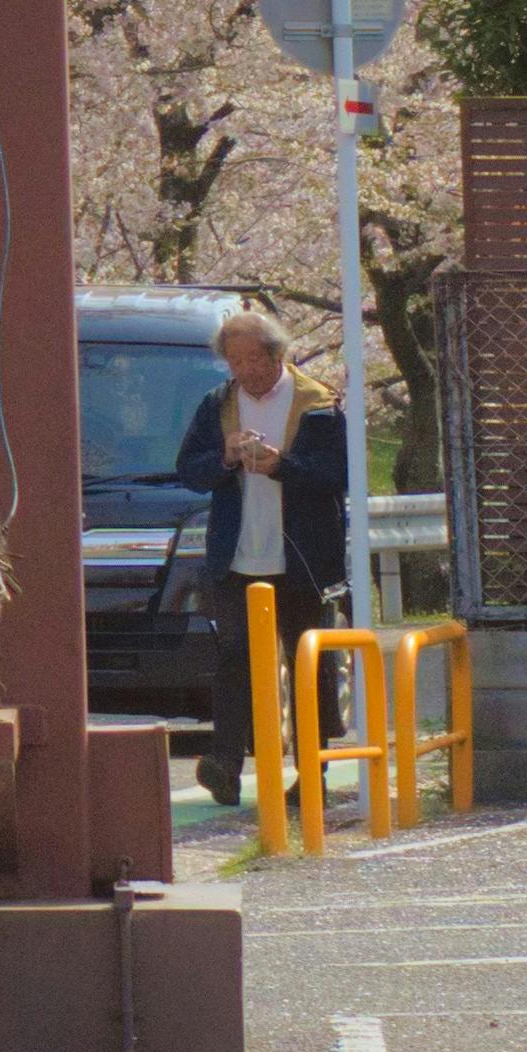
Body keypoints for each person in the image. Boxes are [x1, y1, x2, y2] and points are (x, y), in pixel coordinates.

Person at [171, 308, 354, 797]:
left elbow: (340, 474)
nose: (245, 370)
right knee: (234, 659)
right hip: (236, 557)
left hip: (302, 557)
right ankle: (225, 765)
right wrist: (226, 457)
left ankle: (310, 773)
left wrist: (282, 466)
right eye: (234, 360)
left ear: (277, 355)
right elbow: (188, 470)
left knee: (306, 661)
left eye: (253, 358)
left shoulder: (317, 404)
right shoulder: (217, 405)